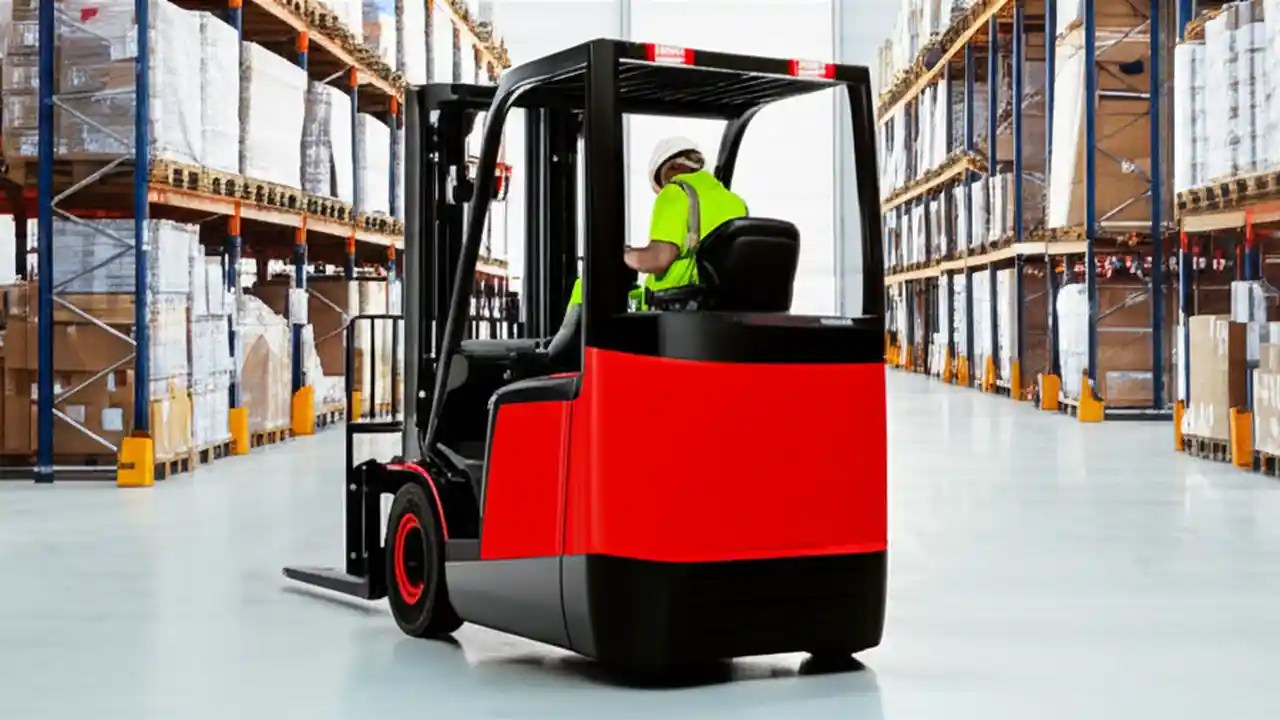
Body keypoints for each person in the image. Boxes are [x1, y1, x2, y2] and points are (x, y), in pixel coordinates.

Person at [565, 137, 747, 312]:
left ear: (671, 166)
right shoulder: (735, 202)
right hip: (716, 307)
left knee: (588, 283)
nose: (662, 189)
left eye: (660, 183)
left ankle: (561, 343)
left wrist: (619, 253)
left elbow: (658, 259)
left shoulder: (676, 191)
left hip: (672, 307)